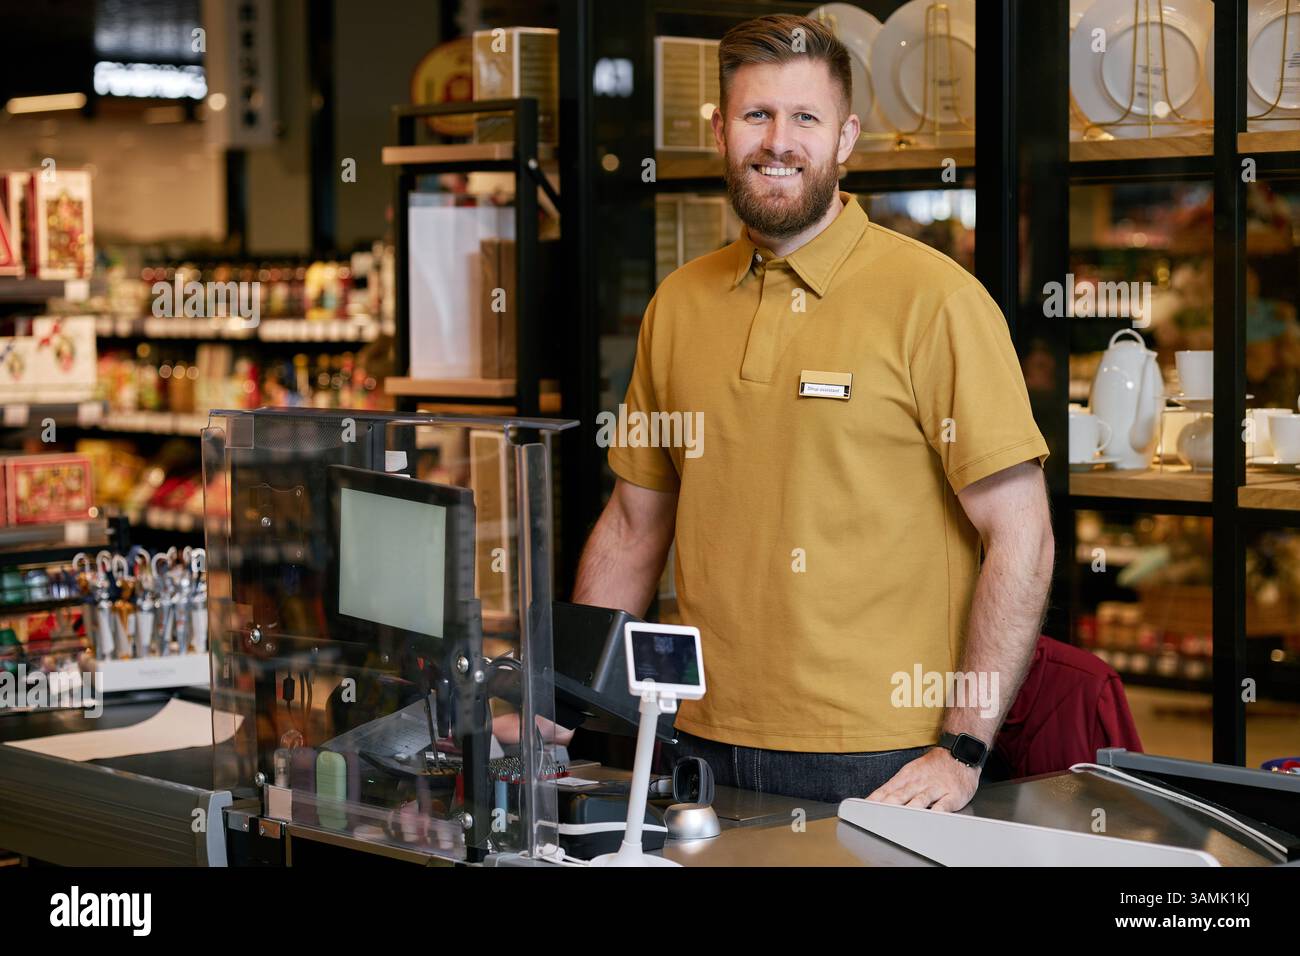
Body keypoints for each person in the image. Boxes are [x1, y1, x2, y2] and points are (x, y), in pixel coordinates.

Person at [573, 14, 1054, 811]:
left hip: (879, 756)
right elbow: (633, 522)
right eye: (757, 115)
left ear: (845, 139)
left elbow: (1021, 531)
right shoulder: (678, 303)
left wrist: (963, 748)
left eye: (806, 118)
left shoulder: (934, 301)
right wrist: (564, 699)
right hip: (695, 733)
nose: (779, 141)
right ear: (720, 130)